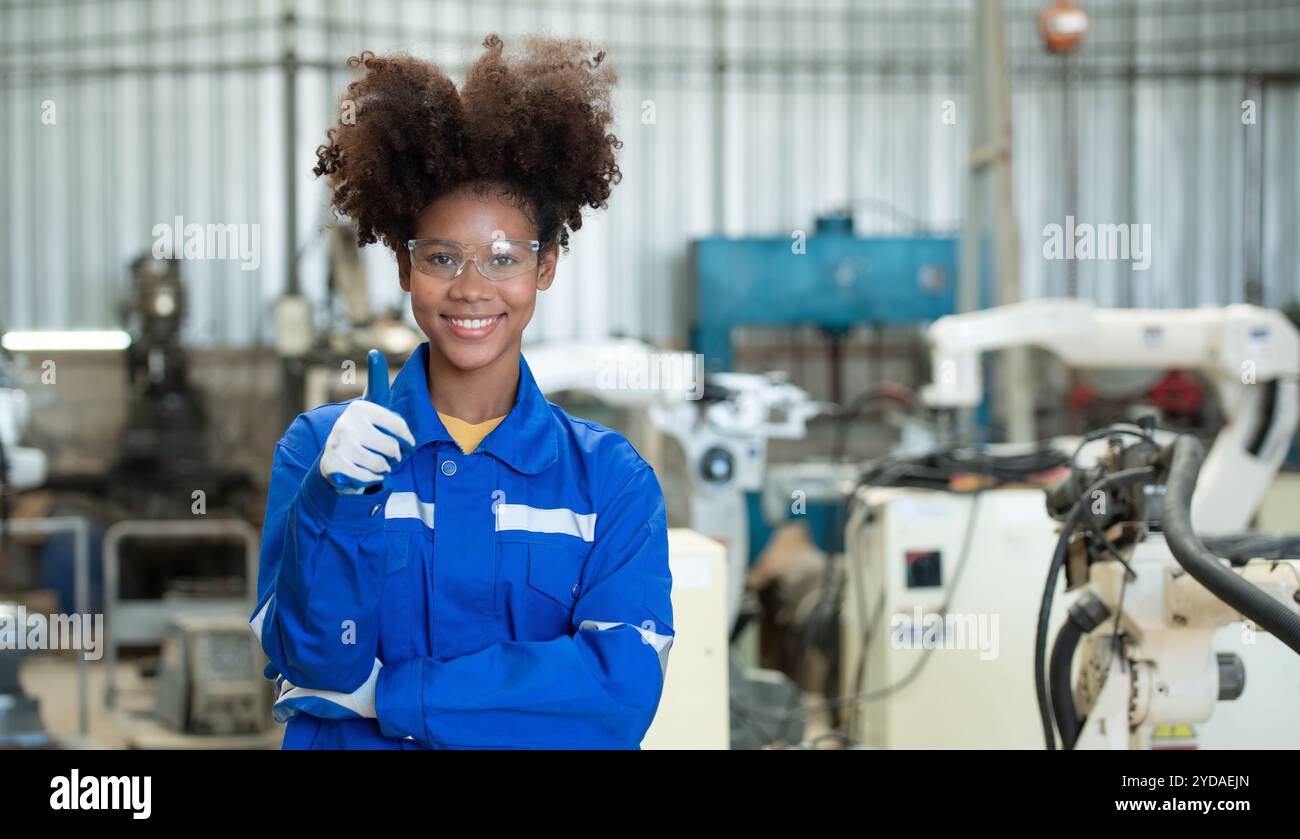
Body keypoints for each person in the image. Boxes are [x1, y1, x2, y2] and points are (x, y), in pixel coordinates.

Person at [250, 35, 673, 749]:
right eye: (441, 257)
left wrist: (392, 695)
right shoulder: (320, 451)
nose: (472, 287)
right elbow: (311, 658)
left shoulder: (610, 480)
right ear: (403, 265)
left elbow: (616, 693)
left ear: (546, 266)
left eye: (504, 257)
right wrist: (336, 503)